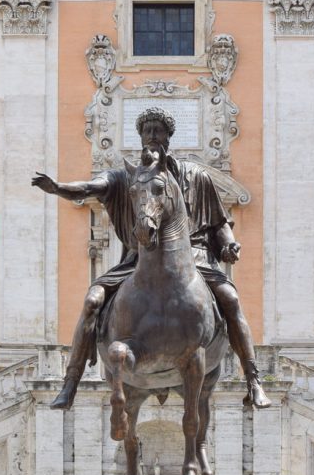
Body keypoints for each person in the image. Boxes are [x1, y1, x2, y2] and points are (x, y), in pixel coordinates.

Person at [31, 106, 271, 411]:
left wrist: (229, 244)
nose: (153, 137)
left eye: (159, 131)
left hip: (194, 258)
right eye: (148, 132)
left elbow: (219, 222)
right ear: (141, 137)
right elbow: (92, 187)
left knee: (230, 299)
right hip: (136, 260)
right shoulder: (125, 177)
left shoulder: (196, 175)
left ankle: (253, 379)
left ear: (169, 137)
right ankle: (71, 383)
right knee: (92, 301)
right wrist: (58, 188)